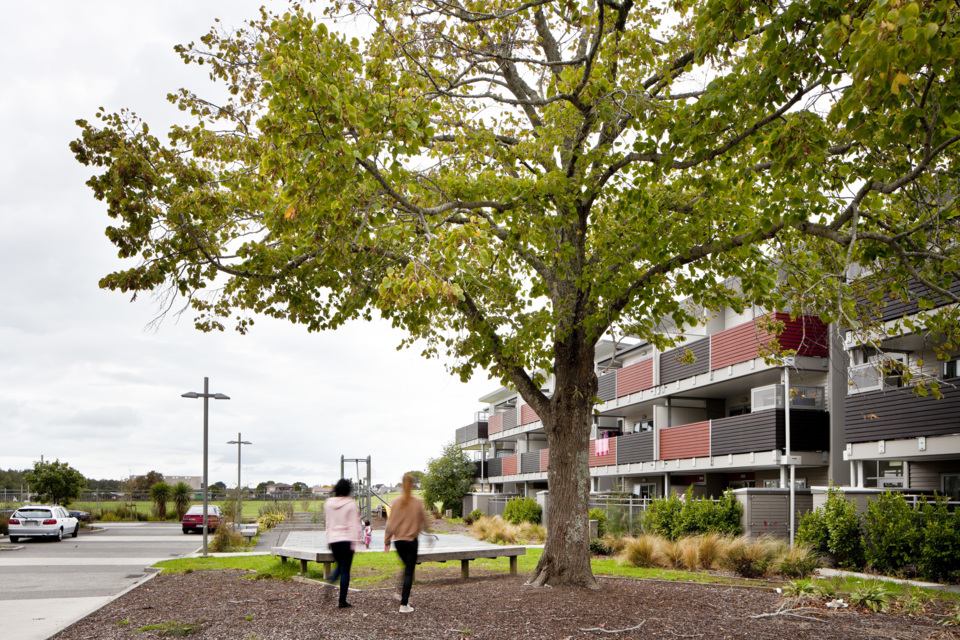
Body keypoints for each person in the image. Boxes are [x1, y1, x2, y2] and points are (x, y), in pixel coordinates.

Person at [384, 472, 430, 614]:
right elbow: (425, 521)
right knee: (409, 572)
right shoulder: (417, 503)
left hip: (398, 542)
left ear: (402, 485)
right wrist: (428, 535)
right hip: (411, 541)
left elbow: (390, 524)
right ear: (413, 486)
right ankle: (404, 604)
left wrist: (387, 540)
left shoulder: (395, 502)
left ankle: (402, 592)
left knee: (406, 569)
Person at [324, 478, 363, 608]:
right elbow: (353, 525)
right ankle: (342, 600)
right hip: (346, 540)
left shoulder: (328, 503)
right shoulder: (350, 504)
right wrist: (354, 542)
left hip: (334, 540)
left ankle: (330, 582)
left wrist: (328, 539)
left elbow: (328, 523)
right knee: (345, 570)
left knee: (339, 566)